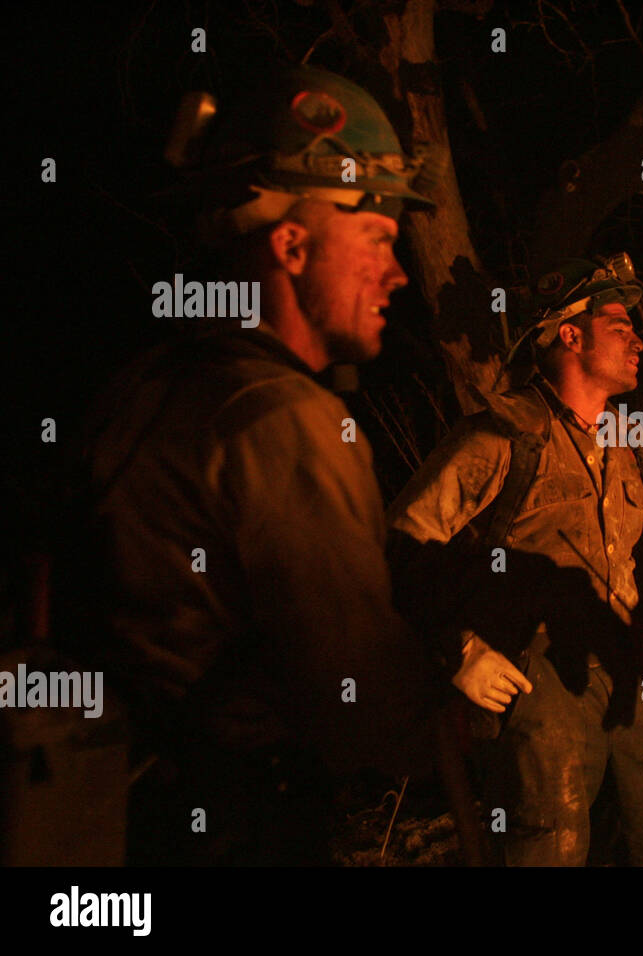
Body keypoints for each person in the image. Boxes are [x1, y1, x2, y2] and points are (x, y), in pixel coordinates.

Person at [84, 66, 445, 865]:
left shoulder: (141, 387)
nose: (398, 274)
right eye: (378, 239)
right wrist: (461, 710)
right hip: (234, 827)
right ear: (291, 243)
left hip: (114, 821)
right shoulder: (287, 422)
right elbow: (363, 697)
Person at [387, 255, 643, 865]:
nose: (638, 341)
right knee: (548, 850)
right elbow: (402, 544)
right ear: (571, 334)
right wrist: (460, 648)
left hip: (626, 661)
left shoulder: (635, 441)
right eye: (620, 327)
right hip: (535, 667)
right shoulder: (503, 436)